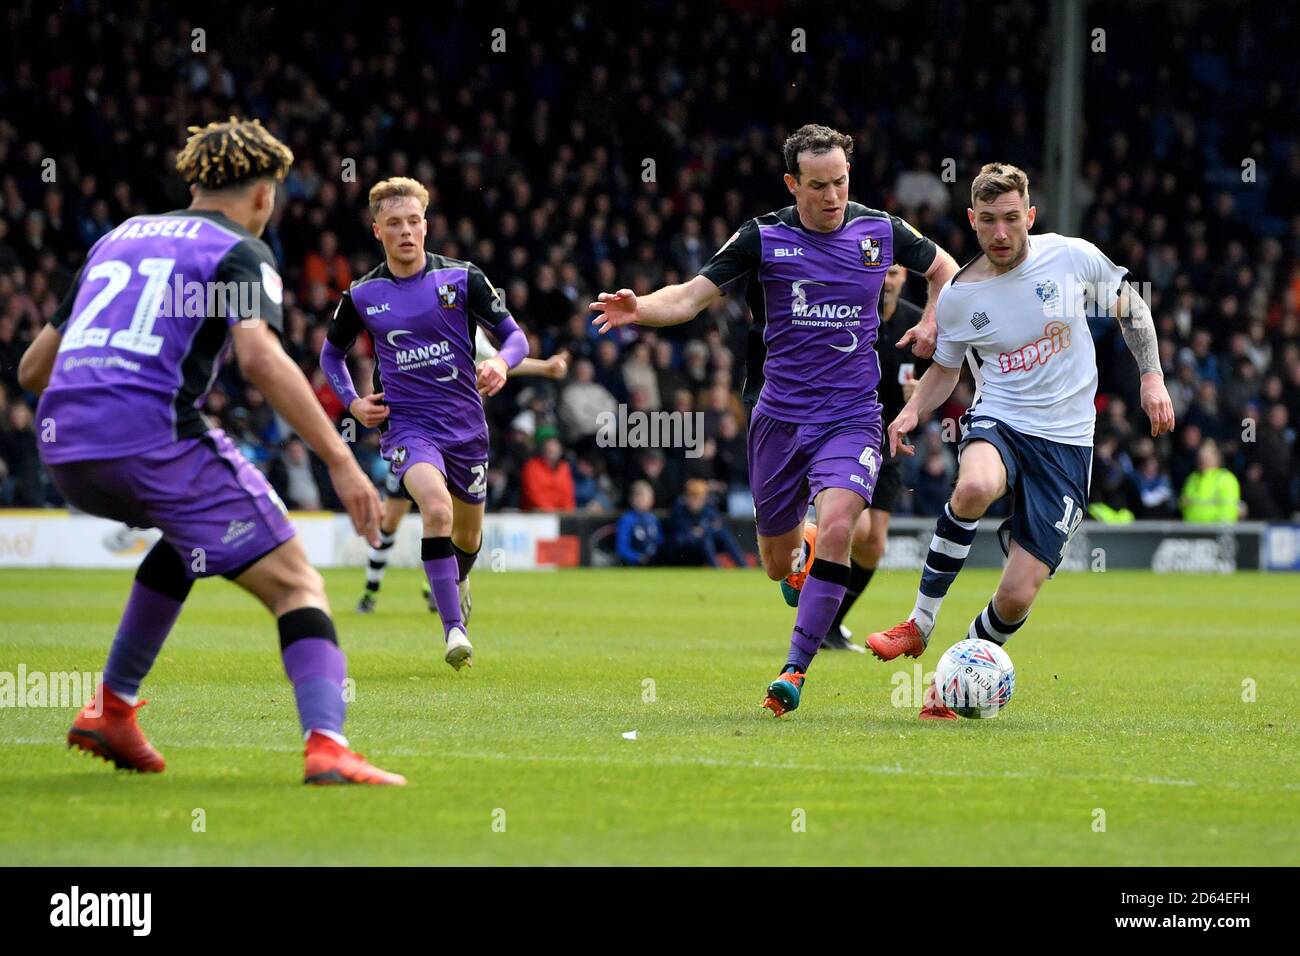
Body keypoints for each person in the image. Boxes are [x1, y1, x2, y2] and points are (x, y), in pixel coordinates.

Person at [18, 117, 402, 784]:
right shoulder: (238, 250)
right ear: (263, 197)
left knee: (188, 537)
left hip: (66, 447)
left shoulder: (116, 240)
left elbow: (30, 371)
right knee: (296, 584)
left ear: (195, 182)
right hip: (152, 439)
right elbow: (261, 357)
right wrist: (341, 460)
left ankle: (111, 708)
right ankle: (327, 746)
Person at [591, 124, 957, 716]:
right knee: (775, 565)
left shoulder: (880, 229)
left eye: (840, 182)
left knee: (842, 525)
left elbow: (945, 269)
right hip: (779, 421)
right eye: (817, 186)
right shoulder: (763, 237)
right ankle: (802, 550)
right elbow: (689, 296)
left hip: (853, 416)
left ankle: (794, 670)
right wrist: (640, 310)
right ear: (793, 184)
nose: (833, 196)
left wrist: (936, 318)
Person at [866, 163, 1176, 719]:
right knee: (975, 484)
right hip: (1002, 418)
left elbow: (1133, 310)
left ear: (1030, 215)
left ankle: (951, 679)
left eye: (1012, 219)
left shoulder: (1072, 257)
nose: (1002, 233)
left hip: (1068, 443)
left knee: (1016, 597)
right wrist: (911, 411)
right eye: (989, 221)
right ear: (972, 221)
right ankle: (919, 622)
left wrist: (1151, 376)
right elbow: (945, 369)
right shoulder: (961, 295)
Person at [321, 176, 531, 671]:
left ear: (426, 224)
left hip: (466, 427)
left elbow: (515, 338)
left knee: (469, 537)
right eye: (394, 223)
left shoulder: (462, 279)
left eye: (413, 221)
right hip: (407, 428)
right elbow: (332, 355)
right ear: (378, 231)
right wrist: (352, 403)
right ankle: (453, 629)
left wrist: (500, 364)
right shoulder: (362, 293)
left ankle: (459, 579)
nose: (406, 231)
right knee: (434, 510)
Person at [355, 333, 567, 614]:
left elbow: (498, 361)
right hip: (411, 435)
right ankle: (371, 589)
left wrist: (545, 368)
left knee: (447, 516)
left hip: (454, 438)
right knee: (393, 517)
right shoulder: (408, 312)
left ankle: (440, 584)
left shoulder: (465, 323)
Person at [824, 262, 928, 652]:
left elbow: (931, 388)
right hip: (848, 432)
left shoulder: (915, 324)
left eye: (897, 272)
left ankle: (830, 625)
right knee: (860, 530)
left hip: (890, 437)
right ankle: (809, 574)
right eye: (882, 271)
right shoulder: (850, 314)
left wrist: (917, 398)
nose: (888, 279)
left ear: (904, 278)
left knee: (874, 544)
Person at [669, 478, 748, 567]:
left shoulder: (708, 510)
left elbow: (717, 526)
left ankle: (743, 565)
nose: (696, 501)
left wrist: (702, 530)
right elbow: (679, 537)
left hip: (704, 543)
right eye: (693, 497)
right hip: (683, 550)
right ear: (687, 497)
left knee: (724, 534)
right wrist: (696, 533)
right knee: (705, 539)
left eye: (699, 498)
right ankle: (716, 568)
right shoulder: (679, 511)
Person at [1179, 439, 1241, 523]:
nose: (1203, 458)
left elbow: (1229, 511)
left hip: (1216, 532)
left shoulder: (1226, 479)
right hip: (1191, 530)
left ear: (1217, 457)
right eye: (1201, 454)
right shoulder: (1192, 478)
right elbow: (1184, 504)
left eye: (1208, 455)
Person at [616, 480, 663, 565]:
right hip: (633, 566)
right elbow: (622, 548)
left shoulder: (653, 519)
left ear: (652, 499)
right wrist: (637, 557)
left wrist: (656, 556)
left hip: (654, 564)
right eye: (638, 497)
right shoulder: (627, 520)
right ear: (632, 499)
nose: (641, 500)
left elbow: (660, 542)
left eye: (645, 497)